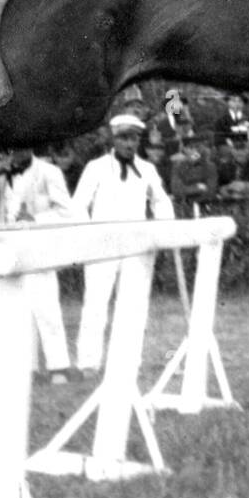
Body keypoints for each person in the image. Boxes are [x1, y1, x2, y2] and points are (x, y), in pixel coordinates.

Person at [73, 114, 175, 378]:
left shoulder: (148, 169)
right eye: (124, 138)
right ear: (113, 138)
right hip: (101, 246)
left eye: (134, 138)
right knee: (95, 303)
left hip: (137, 247)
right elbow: (78, 205)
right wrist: (89, 236)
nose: (130, 144)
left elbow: (162, 202)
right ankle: (88, 363)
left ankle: (128, 360)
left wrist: (162, 232)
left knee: (134, 305)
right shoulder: (95, 168)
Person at [0, 146, 76, 383]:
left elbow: (68, 213)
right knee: (13, 309)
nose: (14, 152)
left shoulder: (49, 172)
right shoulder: (0, 174)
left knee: (46, 307)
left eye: (21, 147)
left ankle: (59, 367)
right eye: (9, 148)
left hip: (38, 246)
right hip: (7, 247)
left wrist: (36, 219)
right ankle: (27, 367)